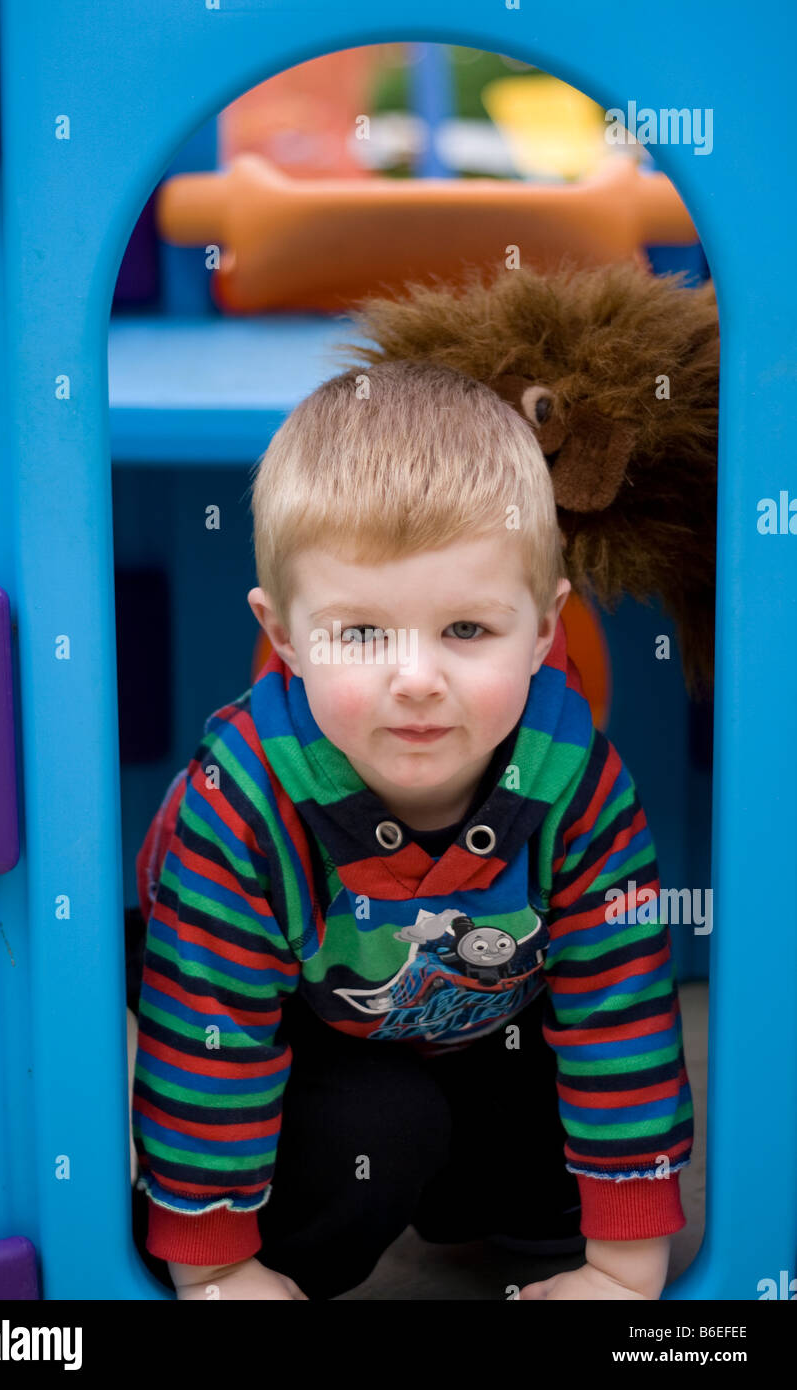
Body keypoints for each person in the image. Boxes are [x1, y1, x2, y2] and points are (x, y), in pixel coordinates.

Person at [127, 359, 694, 1301]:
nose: (418, 678)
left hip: (477, 1017)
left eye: (468, 629)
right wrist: (214, 1268)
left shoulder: (575, 780)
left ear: (545, 631)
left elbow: (618, 1013)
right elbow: (208, 1039)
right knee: (378, 1131)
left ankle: (475, 1197)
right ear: (286, 637)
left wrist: (624, 1274)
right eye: (361, 633)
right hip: (271, 1012)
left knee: (545, 1165)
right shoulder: (244, 801)